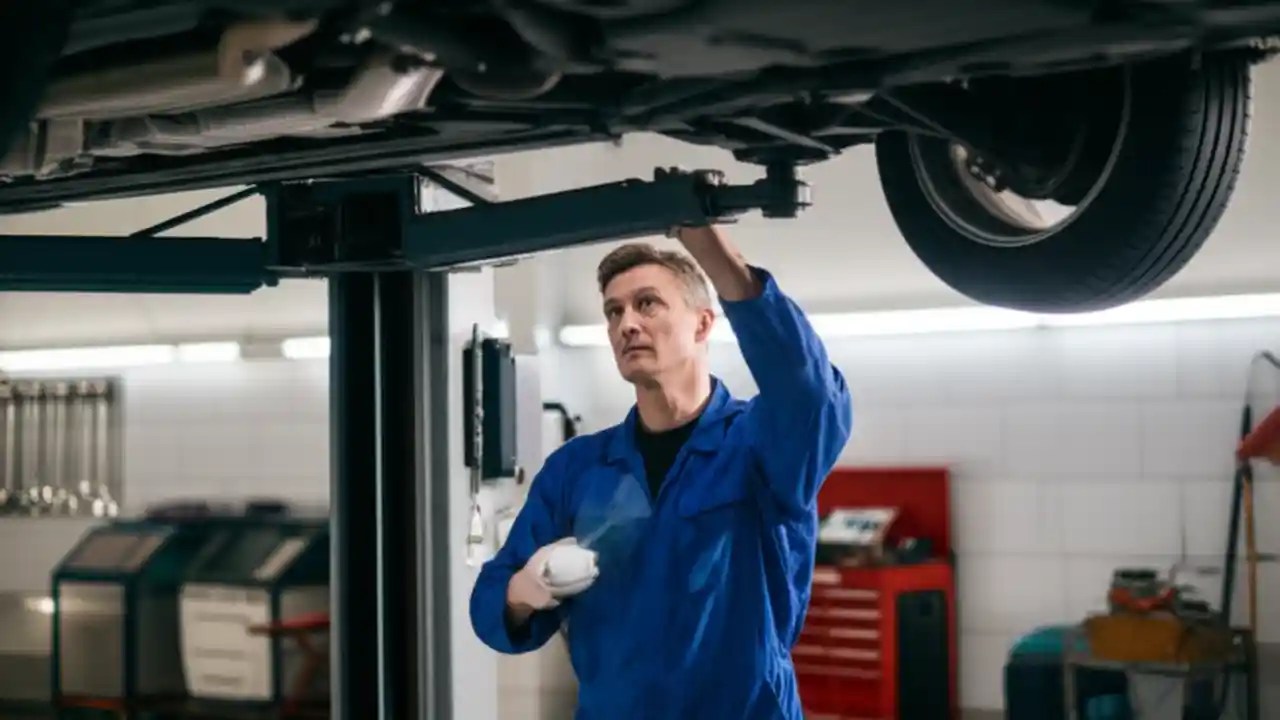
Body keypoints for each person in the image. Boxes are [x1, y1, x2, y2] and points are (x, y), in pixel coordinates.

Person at [469, 224, 853, 719]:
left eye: (647, 303)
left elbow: (813, 398)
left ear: (702, 324)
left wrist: (713, 253)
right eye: (614, 311)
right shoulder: (578, 469)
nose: (627, 323)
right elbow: (490, 603)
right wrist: (523, 590)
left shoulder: (758, 446)